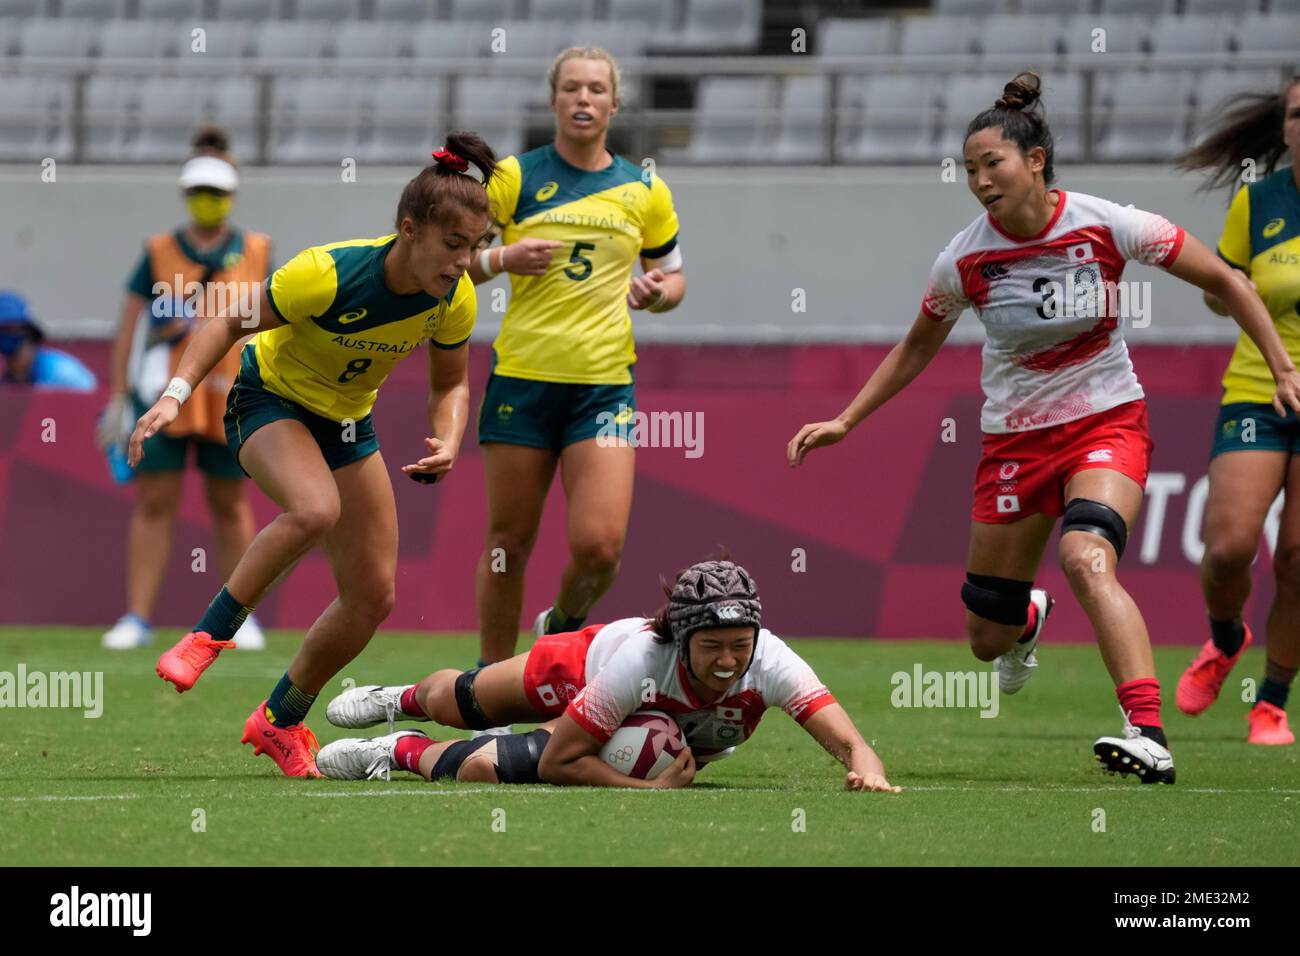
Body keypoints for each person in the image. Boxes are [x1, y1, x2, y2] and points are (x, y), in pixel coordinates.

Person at [786, 73, 1300, 784]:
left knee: (1088, 557)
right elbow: (916, 347)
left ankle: (1146, 731)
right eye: (969, 170)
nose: (979, 181)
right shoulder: (963, 259)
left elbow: (1228, 282)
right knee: (984, 640)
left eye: (991, 164)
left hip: (1107, 420)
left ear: (1035, 161)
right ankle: (1025, 619)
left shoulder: (1110, 224)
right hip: (1014, 442)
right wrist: (846, 420)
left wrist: (1280, 366)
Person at [128, 134, 497, 777]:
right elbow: (224, 322)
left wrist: (450, 435)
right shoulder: (326, 273)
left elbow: (451, 386)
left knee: (372, 596)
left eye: (475, 247)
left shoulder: (452, 299)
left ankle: (278, 720)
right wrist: (173, 395)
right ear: (409, 230)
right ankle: (206, 636)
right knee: (315, 507)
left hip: (347, 422)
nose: (464, 262)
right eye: (452, 244)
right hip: (267, 401)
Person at [466, 46, 685, 689]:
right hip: (523, 381)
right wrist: (503, 259)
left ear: (615, 104)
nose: (583, 99)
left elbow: (673, 278)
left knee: (600, 549)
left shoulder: (646, 189)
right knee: (508, 543)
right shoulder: (511, 179)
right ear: (554, 100)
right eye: (571, 88)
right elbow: (448, 265)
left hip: (603, 388)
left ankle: (561, 625)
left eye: (596, 89)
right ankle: (489, 682)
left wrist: (657, 294)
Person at [315, 559, 899, 792]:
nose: (728, 660)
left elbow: (851, 743)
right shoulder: (640, 659)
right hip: (583, 668)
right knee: (465, 700)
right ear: (681, 637)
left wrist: (867, 773)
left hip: (639, 725)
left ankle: (394, 751)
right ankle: (404, 699)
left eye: (738, 647)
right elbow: (559, 762)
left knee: (483, 770)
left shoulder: (771, 661)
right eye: (712, 646)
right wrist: (652, 791)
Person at [99, 127, 268, 652]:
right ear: (185, 194)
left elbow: (272, 323)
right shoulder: (159, 251)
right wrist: (118, 393)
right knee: (154, 502)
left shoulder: (257, 250)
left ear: (232, 195)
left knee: (230, 504)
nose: (208, 202)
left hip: (230, 394)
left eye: (217, 193)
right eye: (199, 192)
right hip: (163, 395)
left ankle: (241, 619)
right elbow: (129, 326)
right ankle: (137, 617)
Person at [1174, 75, 1300, 745]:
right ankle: (1226, 639)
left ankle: (1272, 702)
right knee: (1229, 549)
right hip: (1258, 386)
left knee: (1299, 558)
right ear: (1285, 128)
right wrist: (1231, 295)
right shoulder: (1258, 203)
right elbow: (1220, 289)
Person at [0, 291, 96, 390]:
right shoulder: (8, 378)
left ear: (27, 330)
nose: (3, 335)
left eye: (7, 328)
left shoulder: (61, 372)